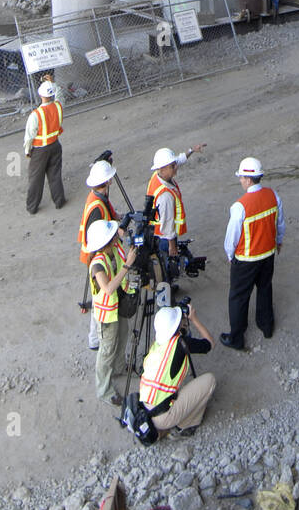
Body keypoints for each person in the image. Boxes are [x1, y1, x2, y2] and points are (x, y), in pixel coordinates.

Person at [221, 157, 284, 351]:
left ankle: (237, 337)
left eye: (241, 177)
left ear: (248, 179)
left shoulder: (239, 206)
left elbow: (231, 238)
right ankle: (266, 326)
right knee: (265, 289)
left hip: (245, 260)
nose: (240, 180)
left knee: (238, 297)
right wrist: (278, 242)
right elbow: (280, 222)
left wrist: (230, 255)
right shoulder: (273, 196)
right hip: (268, 255)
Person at [139, 303, 216, 438]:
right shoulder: (179, 344)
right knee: (210, 380)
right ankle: (185, 425)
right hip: (163, 416)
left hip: (146, 408)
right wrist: (194, 319)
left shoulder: (156, 345)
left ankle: (171, 421)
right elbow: (210, 343)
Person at [86, 218, 137, 406]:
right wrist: (127, 265)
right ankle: (104, 390)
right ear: (107, 241)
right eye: (114, 235)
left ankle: (119, 368)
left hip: (119, 306)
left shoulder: (115, 250)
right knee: (107, 350)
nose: (118, 235)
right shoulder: (97, 264)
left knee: (122, 337)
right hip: (106, 315)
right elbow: (107, 288)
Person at [78, 158, 121, 351]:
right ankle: (94, 339)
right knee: (99, 299)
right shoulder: (97, 205)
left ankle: (94, 338)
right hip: (97, 256)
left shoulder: (96, 198)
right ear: (107, 182)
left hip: (96, 254)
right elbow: (97, 234)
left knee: (99, 297)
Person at [145, 143, 206, 263]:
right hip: (164, 238)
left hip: (157, 232)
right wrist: (172, 245)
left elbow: (178, 160)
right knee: (168, 267)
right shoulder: (165, 195)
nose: (176, 167)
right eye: (172, 166)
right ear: (162, 168)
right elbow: (167, 223)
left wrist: (191, 151)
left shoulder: (157, 176)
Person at [23, 75, 65, 214]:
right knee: (55, 175)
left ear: (40, 94)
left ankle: (32, 207)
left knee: (36, 178)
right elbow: (60, 96)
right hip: (55, 146)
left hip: (40, 150)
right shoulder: (58, 107)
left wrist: (27, 151)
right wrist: (53, 83)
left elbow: (29, 136)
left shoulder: (36, 114)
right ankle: (59, 201)